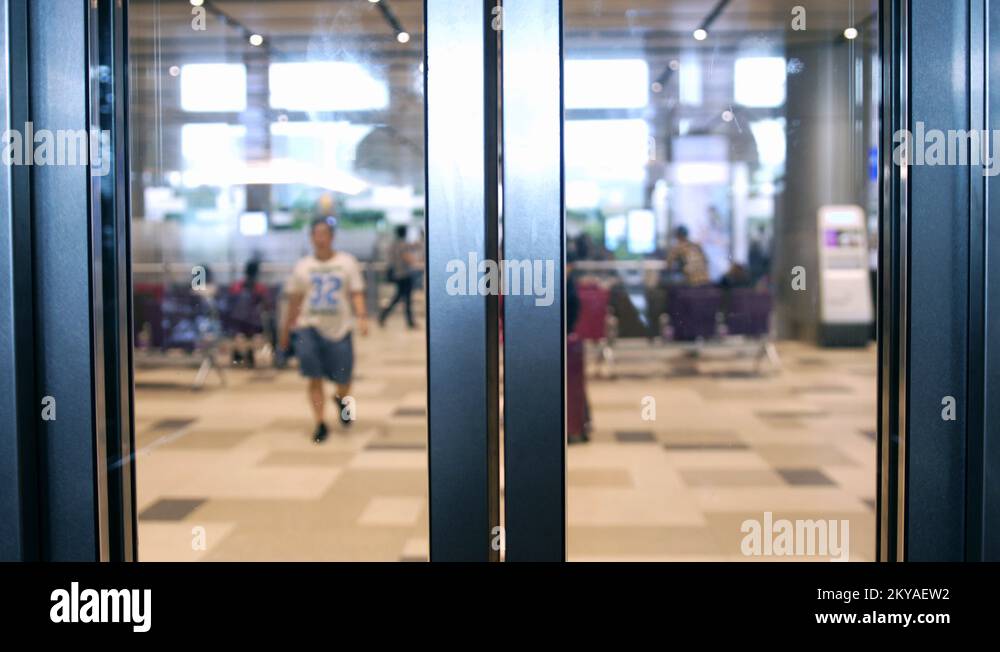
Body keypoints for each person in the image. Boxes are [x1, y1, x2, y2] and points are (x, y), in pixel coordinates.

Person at [279, 216, 369, 444]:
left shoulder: (347, 262)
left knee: (344, 379)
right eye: (316, 234)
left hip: (340, 328)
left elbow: (356, 292)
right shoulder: (303, 266)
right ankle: (320, 422)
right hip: (309, 327)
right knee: (314, 377)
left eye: (324, 234)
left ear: (332, 237)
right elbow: (295, 300)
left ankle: (341, 400)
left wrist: (362, 317)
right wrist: (286, 329)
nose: (320, 239)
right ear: (311, 238)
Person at [227, 259, 270, 368]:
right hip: (250, 324)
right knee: (248, 333)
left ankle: (239, 356)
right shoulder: (259, 288)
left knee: (243, 334)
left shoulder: (237, 287)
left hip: (240, 323)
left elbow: (230, 305)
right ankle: (246, 356)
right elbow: (266, 305)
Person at [378, 225, 418, 329]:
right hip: (405, 275)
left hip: (397, 274)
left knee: (399, 298)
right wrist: (415, 261)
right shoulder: (403, 244)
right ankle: (409, 322)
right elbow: (407, 258)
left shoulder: (393, 244)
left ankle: (384, 316)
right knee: (405, 299)